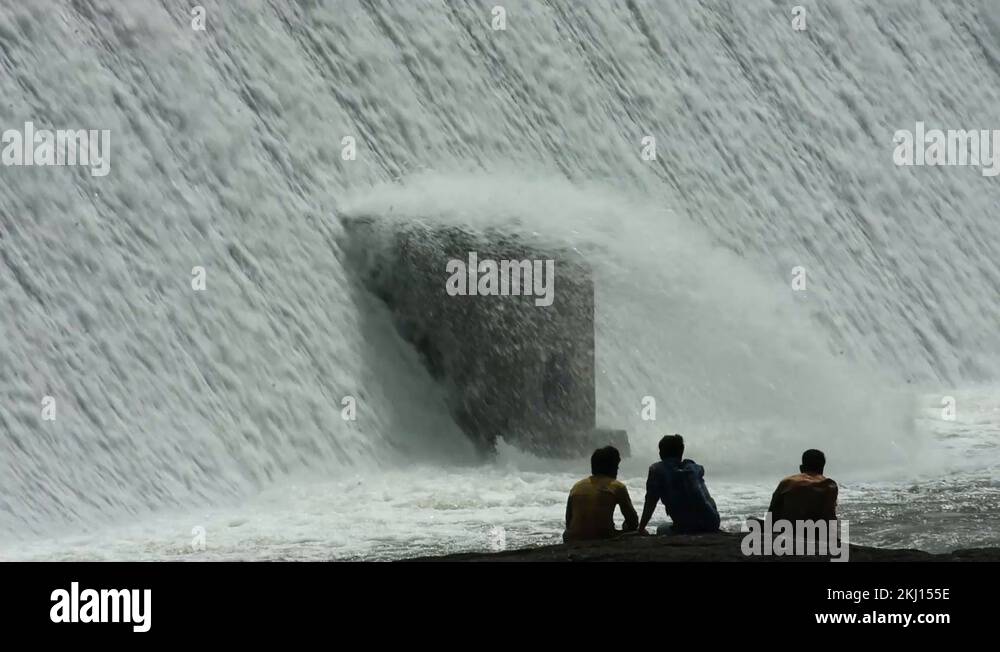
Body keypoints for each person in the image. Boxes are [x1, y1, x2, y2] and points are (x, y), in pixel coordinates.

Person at [638, 434, 721, 534]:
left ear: (661, 453)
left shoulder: (657, 470)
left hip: (686, 527)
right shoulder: (693, 468)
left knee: (661, 529)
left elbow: (650, 503)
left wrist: (641, 529)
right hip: (713, 522)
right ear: (681, 451)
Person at [563, 446, 638, 542]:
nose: (618, 468)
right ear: (611, 466)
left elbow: (568, 521)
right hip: (604, 538)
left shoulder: (577, 486)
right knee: (642, 532)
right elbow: (633, 522)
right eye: (616, 465)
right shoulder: (617, 487)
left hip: (573, 538)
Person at [767, 449, 838, 522]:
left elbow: (772, 513)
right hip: (818, 531)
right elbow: (831, 517)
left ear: (801, 468)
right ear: (822, 468)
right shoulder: (830, 485)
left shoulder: (787, 482)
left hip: (787, 530)